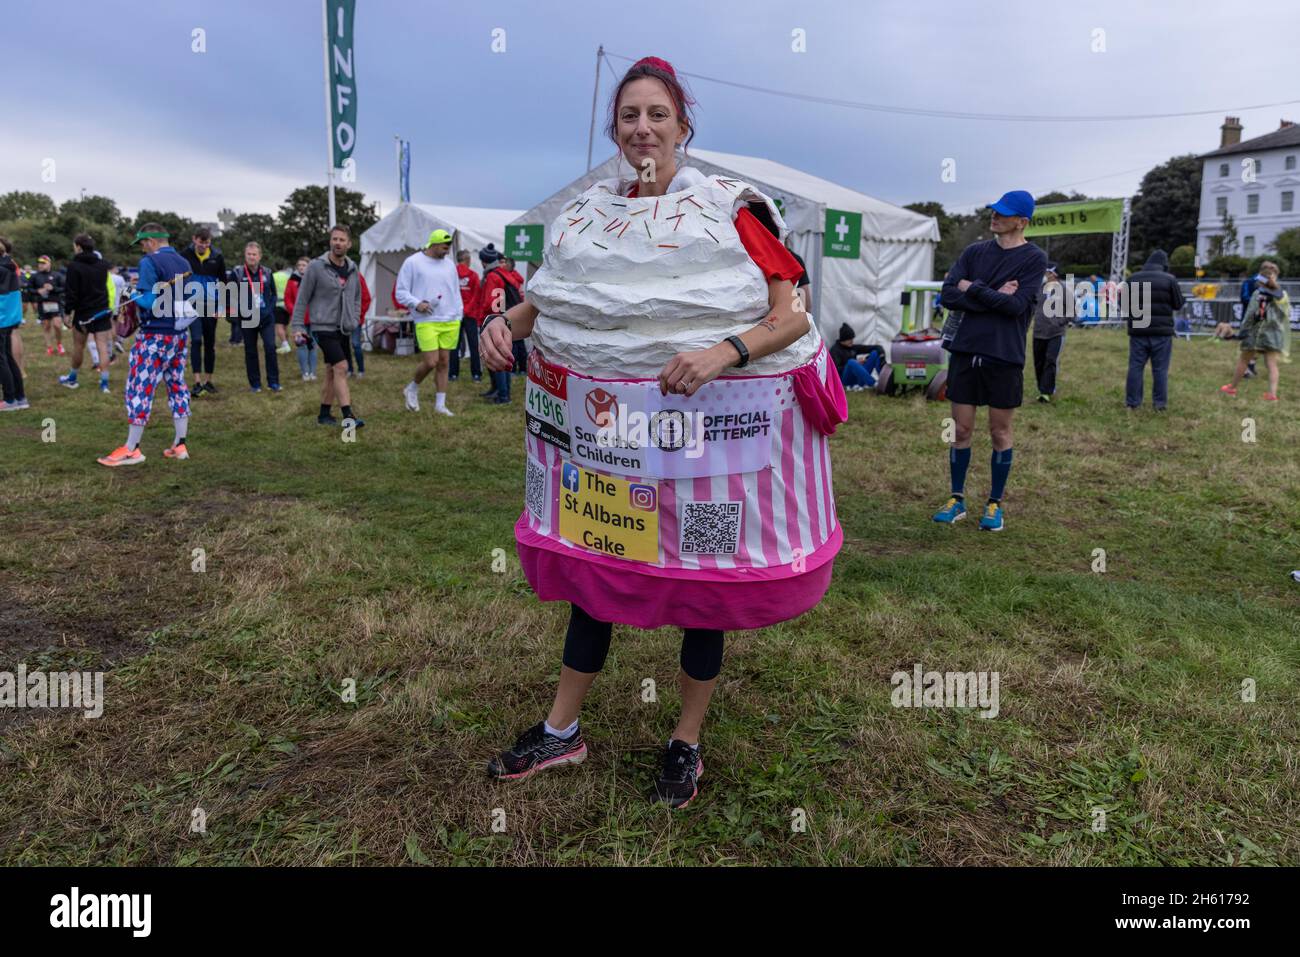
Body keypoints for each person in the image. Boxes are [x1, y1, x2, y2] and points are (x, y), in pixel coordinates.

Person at [478, 56, 845, 809]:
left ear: (683, 124)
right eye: (628, 116)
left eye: (656, 114)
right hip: (603, 435)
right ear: (613, 128)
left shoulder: (728, 209)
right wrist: (500, 323)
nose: (641, 128)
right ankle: (562, 729)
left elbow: (792, 315)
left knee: (701, 588)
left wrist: (722, 351)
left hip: (705, 438)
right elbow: (555, 300)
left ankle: (686, 738)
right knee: (597, 572)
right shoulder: (586, 215)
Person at [933, 190, 1047, 532]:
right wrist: (993, 293)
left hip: (1005, 354)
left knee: (1000, 431)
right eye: (994, 210)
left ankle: (995, 504)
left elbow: (1016, 307)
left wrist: (974, 289)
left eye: (1004, 213)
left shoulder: (1034, 259)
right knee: (962, 430)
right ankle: (957, 499)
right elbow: (949, 295)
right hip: (966, 351)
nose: (995, 216)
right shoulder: (974, 252)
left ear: (1022, 222)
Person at [96, 224, 193, 466]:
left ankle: (132, 448)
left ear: (150, 240)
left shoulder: (149, 262)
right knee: (177, 384)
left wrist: (131, 293)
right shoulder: (184, 263)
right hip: (179, 334)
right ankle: (180, 443)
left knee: (139, 388)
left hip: (154, 335)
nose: (142, 248)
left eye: (142, 243)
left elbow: (149, 301)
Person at [289, 224, 365, 428]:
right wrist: (298, 326)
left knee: (332, 371)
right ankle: (348, 418)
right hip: (321, 327)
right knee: (341, 367)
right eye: (335, 239)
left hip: (343, 327)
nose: (338, 243)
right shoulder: (316, 266)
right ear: (330, 241)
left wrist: (354, 317)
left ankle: (324, 414)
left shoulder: (352, 267)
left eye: (342, 240)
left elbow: (357, 296)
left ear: (349, 244)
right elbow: (302, 298)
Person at [396, 229, 461, 416]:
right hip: (426, 320)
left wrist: (459, 313)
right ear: (433, 244)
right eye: (444, 246)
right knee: (431, 362)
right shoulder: (413, 262)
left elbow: (455, 291)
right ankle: (412, 388)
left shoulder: (450, 265)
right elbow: (401, 291)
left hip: (450, 319)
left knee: (444, 362)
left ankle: (440, 405)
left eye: (449, 247)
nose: (447, 250)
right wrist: (417, 304)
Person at [1123, 250, 1183, 411]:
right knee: (1160, 369)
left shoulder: (1132, 279)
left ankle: (1132, 402)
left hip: (1138, 331)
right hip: (1162, 332)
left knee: (1135, 367)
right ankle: (1159, 404)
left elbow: (1123, 305)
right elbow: (1178, 303)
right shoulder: (1169, 280)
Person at [1220, 261, 1290, 400]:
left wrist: (1242, 332)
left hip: (1255, 333)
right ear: (1275, 276)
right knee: (1272, 364)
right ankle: (1272, 395)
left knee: (1244, 360)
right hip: (1274, 333)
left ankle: (1232, 388)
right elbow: (1285, 315)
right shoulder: (1282, 295)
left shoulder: (1258, 293)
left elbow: (1250, 315)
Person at [58, 233, 115, 393]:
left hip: (84, 313)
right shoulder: (102, 264)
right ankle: (104, 383)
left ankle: (73, 378)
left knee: (78, 346)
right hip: (102, 310)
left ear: (79, 247)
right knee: (102, 347)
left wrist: (68, 312)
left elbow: (71, 292)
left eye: (74, 246)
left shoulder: (74, 266)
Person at [181, 227, 227, 396]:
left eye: (207, 243)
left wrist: (221, 306)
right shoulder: (184, 255)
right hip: (191, 305)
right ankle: (197, 382)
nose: (204, 246)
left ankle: (208, 381)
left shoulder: (217, 256)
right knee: (196, 340)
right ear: (194, 239)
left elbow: (223, 282)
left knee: (209, 343)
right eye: (201, 242)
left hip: (211, 304)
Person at [230, 242, 280, 393]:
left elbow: (274, 294)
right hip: (247, 319)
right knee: (250, 351)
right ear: (245, 255)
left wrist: (269, 310)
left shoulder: (266, 272)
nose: (251, 257)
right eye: (249, 254)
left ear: (260, 256)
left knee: (270, 347)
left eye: (254, 254)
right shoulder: (238, 273)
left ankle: (273, 382)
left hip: (265, 318)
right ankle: (255, 384)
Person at [477, 245, 523, 404]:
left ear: (484, 262)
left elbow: (492, 302)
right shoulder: (504, 273)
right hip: (501, 319)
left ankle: (503, 395)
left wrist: (486, 317)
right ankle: (497, 389)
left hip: (492, 320)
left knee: (496, 358)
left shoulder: (492, 276)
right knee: (497, 356)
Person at [1031, 264, 1068, 402]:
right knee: (1039, 363)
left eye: (1047, 272)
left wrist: (1058, 322)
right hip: (1038, 332)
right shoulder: (1039, 289)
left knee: (1050, 361)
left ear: (1054, 274)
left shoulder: (1064, 289)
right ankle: (1042, 387)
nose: (1044, 275)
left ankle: (1046, 392)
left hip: (1056, 333)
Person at [0, 238, 28, 411]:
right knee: (8, 357)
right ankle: (20, 397)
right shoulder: (9, 265)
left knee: (1, 359)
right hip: (9, 317)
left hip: (2, 317)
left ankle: (9, 399)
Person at [448, 249, 482, 383]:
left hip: (455, 314)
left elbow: (449, 293)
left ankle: (453, 374)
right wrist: (467, 309)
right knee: (474, 345)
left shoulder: (451, 274)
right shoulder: (473, 275)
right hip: (470, 314)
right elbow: (476, 296)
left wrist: (458, 309)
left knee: (454, 345)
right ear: (467, 260)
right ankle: (476, 374)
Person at [283, 257, 316, 380]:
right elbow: (288, 299)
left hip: (313, 319)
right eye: (299, 265)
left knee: (312, 345)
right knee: (301, 344)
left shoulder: (314, 280)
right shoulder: (292, 281)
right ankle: (305, 372)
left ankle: (313, 371)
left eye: (304, 265)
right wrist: (296, 312)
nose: (301, 267)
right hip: (298, 320)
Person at [30, 254, 66, 356]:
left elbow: (64, 288)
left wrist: (53, 288)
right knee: (46, 326)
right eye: (39, 263)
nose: (40, 265)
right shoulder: (35, 276)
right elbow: (29, 289)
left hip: (55, 303)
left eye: (43, 263)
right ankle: (49, 347)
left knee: (57, 325)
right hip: (43, 304)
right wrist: (38, 291)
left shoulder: (57, 275)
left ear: (49, 264)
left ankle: (59, 344)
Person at [829, 323, 880, 391]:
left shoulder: (852, 347)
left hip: (858, 378)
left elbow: (868, 348)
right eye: (849, 339)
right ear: (843, 339)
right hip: (845, 380)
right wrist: (855, 363)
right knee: (851, 362)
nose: (852, 341)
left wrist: (880, 349)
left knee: (875, 353)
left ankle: (883, 380)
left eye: (852, 338)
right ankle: (874, 384)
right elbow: (836, 371)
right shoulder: (835, 350)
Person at [272, 264, 293, 354]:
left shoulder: (273, 276)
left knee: (279, 326)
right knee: (285, 326)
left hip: (278, 303)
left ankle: (285, 345)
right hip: (288, 304)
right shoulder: (288, 276)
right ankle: (285, 344)